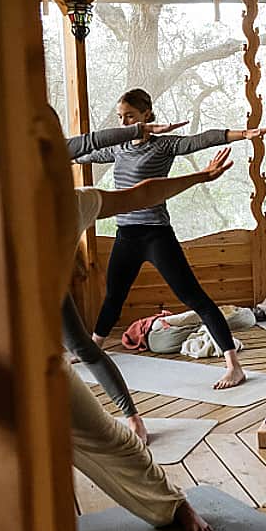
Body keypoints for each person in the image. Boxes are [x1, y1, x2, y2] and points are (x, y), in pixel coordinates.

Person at [60, 145, 236, 531]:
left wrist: (199, 177)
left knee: (107, 438)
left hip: (38, 363)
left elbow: (141, 193)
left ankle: (172, 503)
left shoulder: (69, 205)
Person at [69, 88, 266, 389]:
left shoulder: (163, 146)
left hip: (156, 234)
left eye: (130, 115)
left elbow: (199, 140)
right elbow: (84, 152)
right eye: (120, 117)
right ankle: (93, 347)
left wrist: (242, 134)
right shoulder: (118, 148)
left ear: (146, 115)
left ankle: (234, 365)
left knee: (194, 297)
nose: (125, 121)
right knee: (114, 296)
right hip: (126, 234)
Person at [62, 114, 194, 444]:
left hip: (45, 292)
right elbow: (91, 149)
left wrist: (200, 175)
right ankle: (133, 419)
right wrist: (137, 130)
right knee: (90, 342)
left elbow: (139, 192)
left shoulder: (76, 202)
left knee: (85, 349)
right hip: (16, 294)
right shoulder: (77, 201)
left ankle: (133, 419)